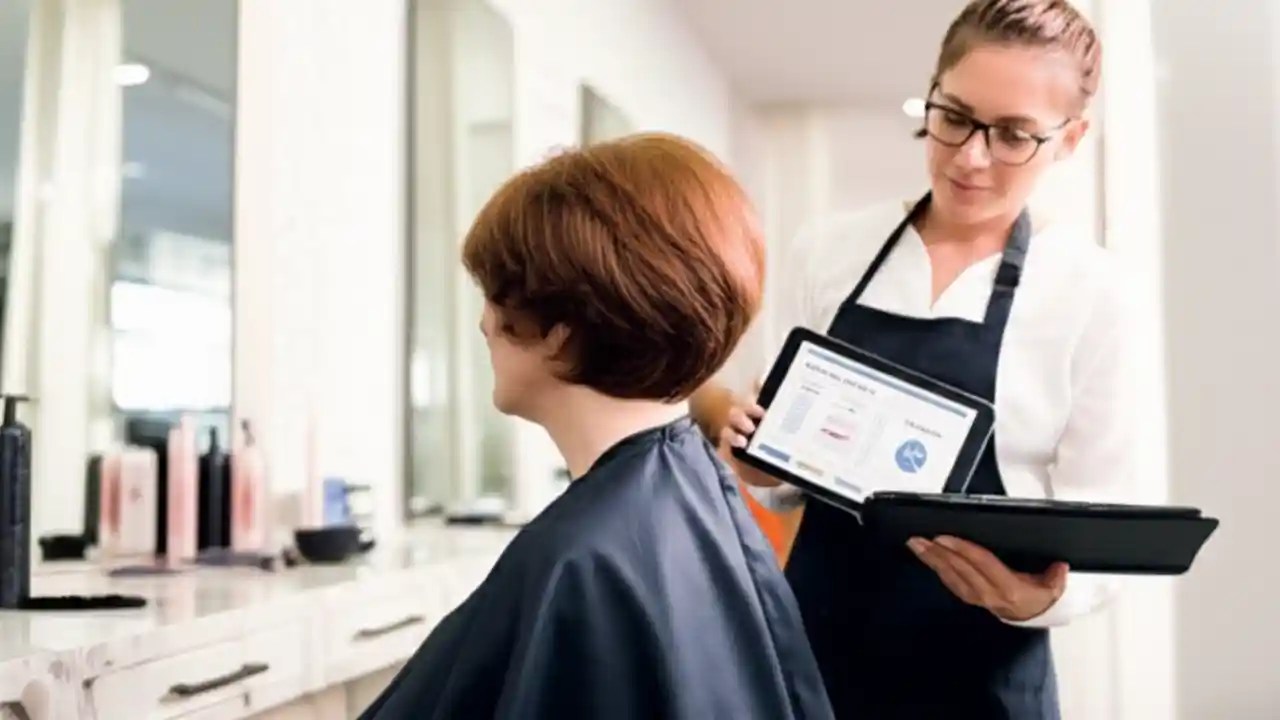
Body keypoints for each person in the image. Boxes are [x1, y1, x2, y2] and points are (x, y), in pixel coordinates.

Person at [697, 1, 1137, 718]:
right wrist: (754, 457)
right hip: (819, 661)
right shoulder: (829, 252)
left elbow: (1108, 519)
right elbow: (787, 475)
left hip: (985, 678)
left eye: (1014, 135)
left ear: (1070, 138)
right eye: (954, 116)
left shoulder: (1091, 292)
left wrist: (1041, 597)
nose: (970, 156)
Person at [359, 133, 834, 720]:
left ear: (561, 329)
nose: (484, 323)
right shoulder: (691, 483)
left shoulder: (580, 559)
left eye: (494, 295)